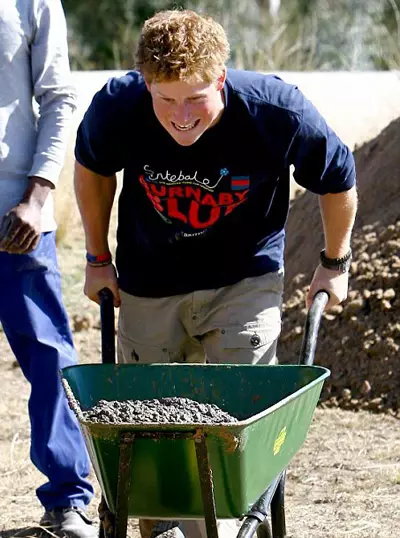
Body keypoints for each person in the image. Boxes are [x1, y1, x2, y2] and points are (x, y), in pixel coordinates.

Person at [74, 9, 357, 538]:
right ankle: (161, 527)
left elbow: (338, 178)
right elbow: (91, 168)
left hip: (243, 278)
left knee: (232, 418)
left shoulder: (275, 110)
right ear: (146, 84)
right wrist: (96, 258)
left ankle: (225, 524)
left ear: (221, 78)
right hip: (150, 278)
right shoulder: (119, 106)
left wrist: (334, 263)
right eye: (166, 99)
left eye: (195, 97)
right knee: (148, 419)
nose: (181, 116)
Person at [0, 2, 96, 537]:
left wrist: (37, 198)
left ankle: (68, 501)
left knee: (46, 356)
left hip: (15, 218)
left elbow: (59, 97)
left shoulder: (30, 2)